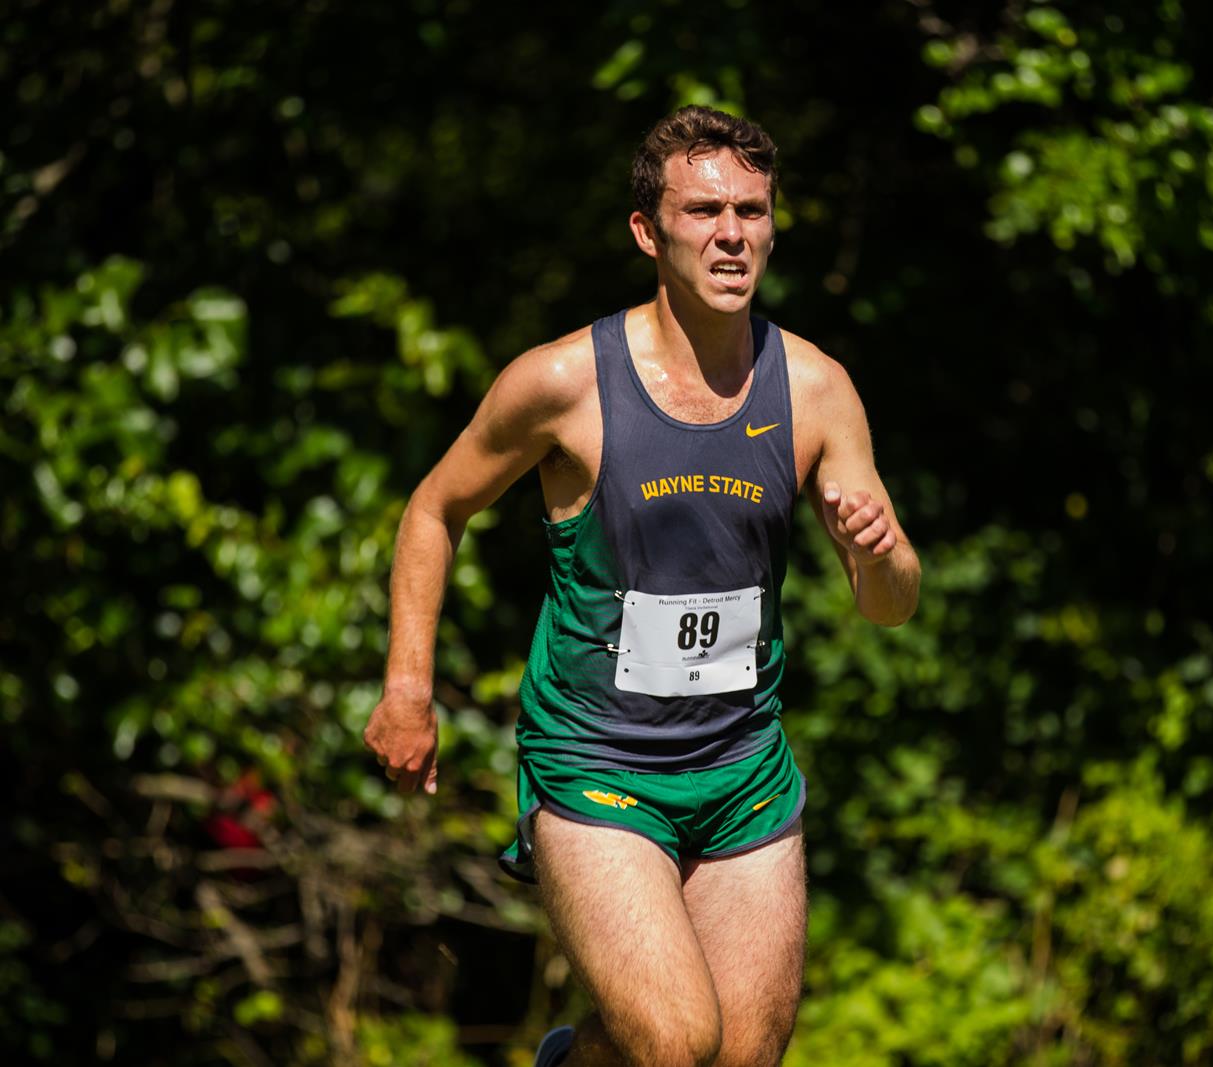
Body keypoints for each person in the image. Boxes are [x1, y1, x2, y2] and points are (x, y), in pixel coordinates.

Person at [362, 106, 921, 1067]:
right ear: (646, 231)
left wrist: (878, 554)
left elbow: (891, 603)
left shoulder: (816, 388)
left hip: (742, 766)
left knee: (741, 1059)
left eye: (751, 210)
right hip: (598, 763)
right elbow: (432, 511)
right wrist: (409, 689)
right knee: (672, 1042)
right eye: (703, 211)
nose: (731, 234)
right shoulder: (564, 382)